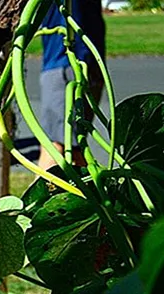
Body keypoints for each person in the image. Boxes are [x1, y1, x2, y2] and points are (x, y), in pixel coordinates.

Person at [38, 0, 106, 170]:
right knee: (68, 145)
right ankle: (91, 194)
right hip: (71, 63)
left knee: (59, 145)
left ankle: (44, 196)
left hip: (73, 63)